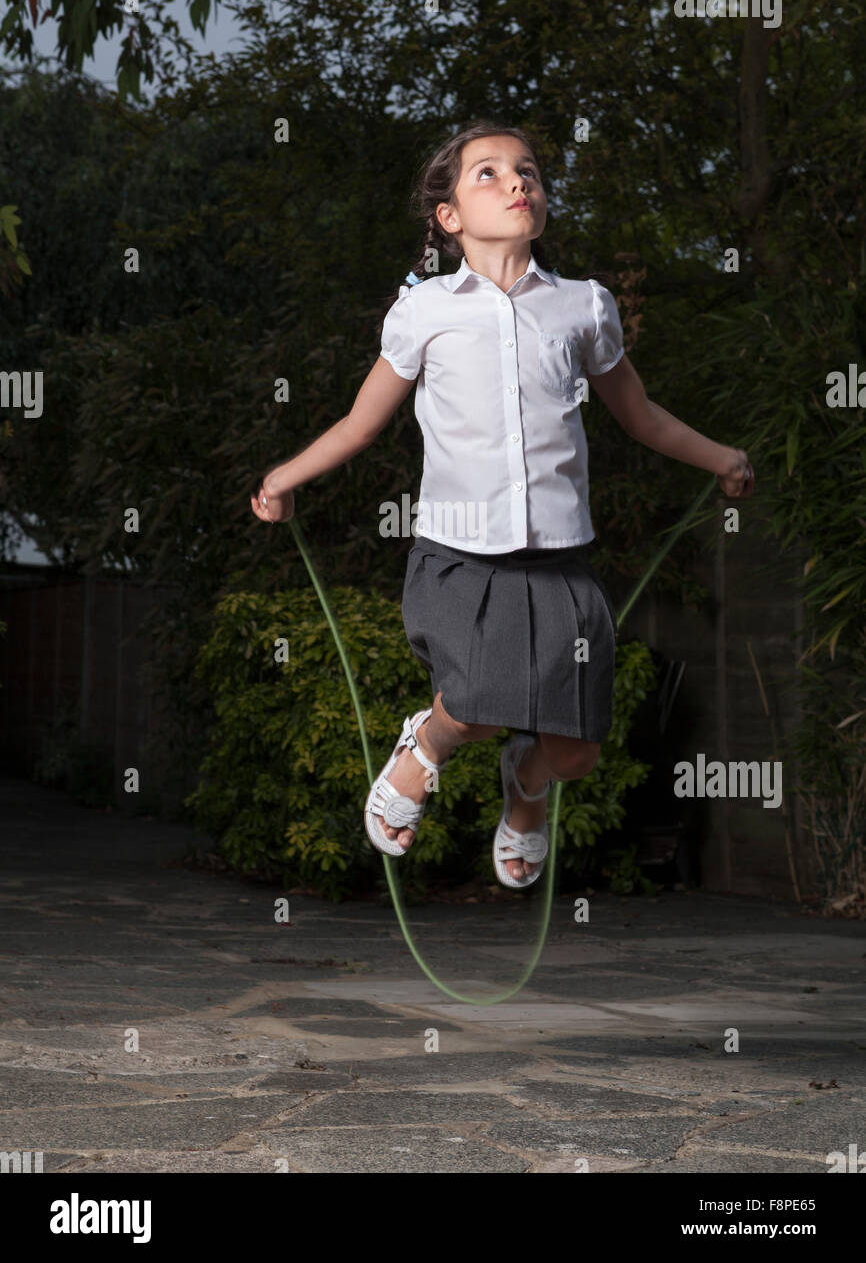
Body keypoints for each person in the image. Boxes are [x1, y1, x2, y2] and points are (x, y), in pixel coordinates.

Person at [251, 120, 754, 889]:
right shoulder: (424, 312)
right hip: (458, 555)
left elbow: (641, 418)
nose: (518, 182)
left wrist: (722, 457)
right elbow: (362, 423)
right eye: (488, 173)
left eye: (529, 172)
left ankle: (526, 781)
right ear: (447, 218)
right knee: (478, 701)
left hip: (557, 562)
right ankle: (424, 747)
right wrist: (284, 477)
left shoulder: (583, 307)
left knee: (577, 751)